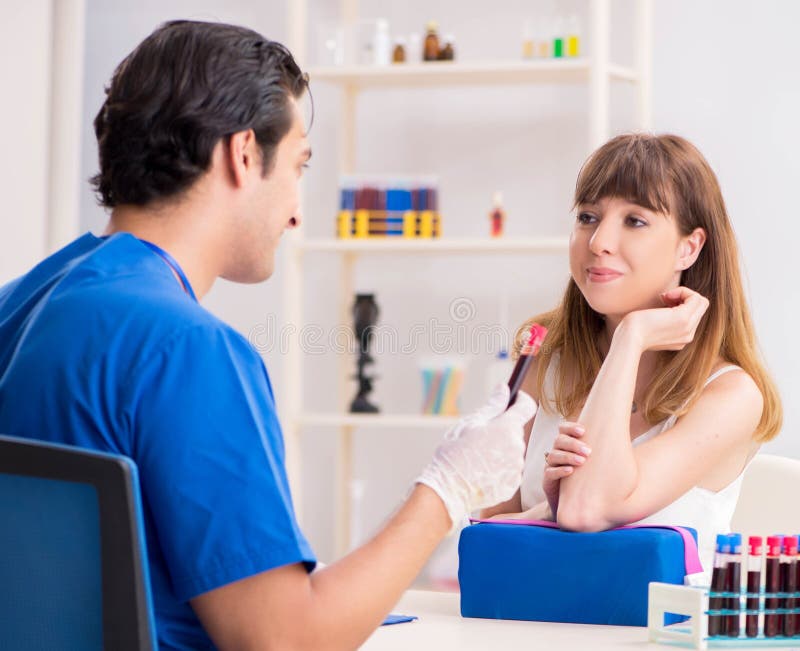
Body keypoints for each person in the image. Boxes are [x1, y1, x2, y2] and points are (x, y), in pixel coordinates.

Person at [0, 21, 536, 651]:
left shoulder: (20, 304)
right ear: (244, 154)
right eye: (299, 166)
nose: (297, 212)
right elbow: (285, 640)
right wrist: (449, 487)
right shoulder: (188, 352)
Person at [482, 133, 782, 574]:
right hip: (532, 613)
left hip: (663, 621)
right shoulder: (543, 360)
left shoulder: (732, 395)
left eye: (635, 221)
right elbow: (484, 538)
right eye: (588, 217)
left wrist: (631, 337)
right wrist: (546, 512)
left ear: (689, 247)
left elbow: (586, 509)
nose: (599, 241)